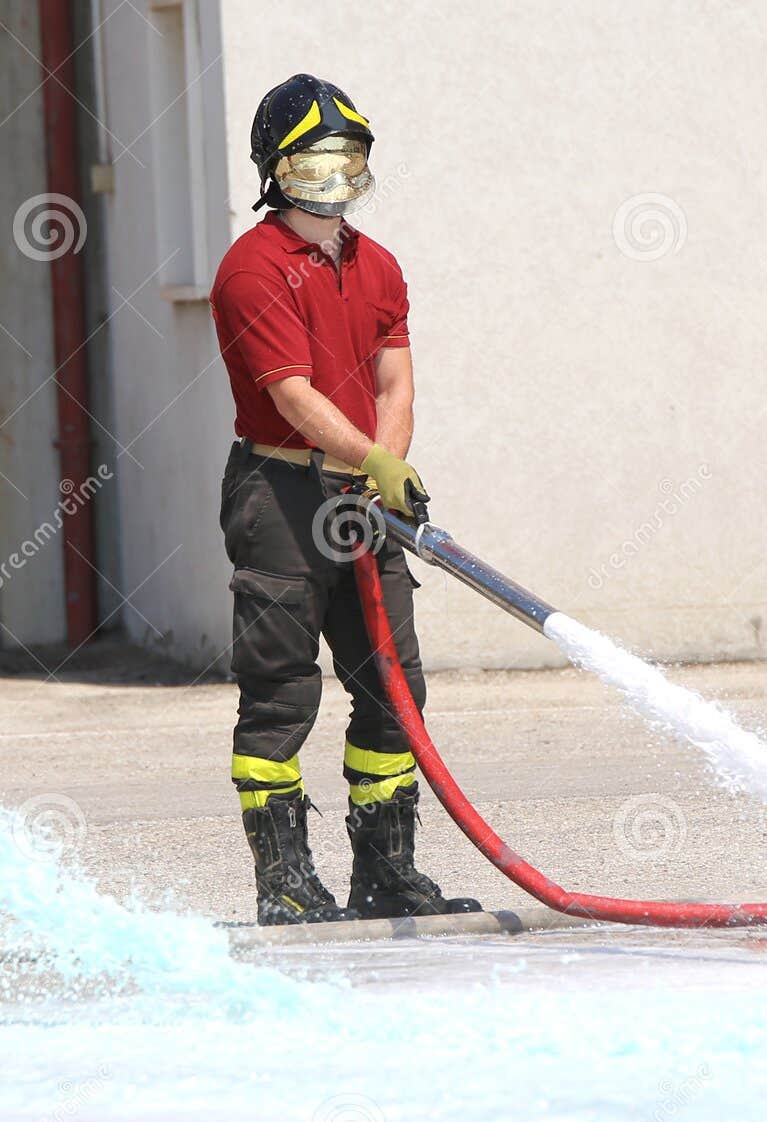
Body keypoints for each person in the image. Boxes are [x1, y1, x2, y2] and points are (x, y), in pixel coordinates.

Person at [208, 73, 479, 925]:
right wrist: (367, 455)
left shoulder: (378, 264)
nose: (334, 173)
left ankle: (385, 873)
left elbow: (395, 380)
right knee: (282, 689)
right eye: (315, 158)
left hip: (361, 494)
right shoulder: (252, 269)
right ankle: (286, 881)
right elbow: (291, 396)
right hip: (280, 492)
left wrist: (383, 463)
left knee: (392, 684)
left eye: (347, 156)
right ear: (278, 168)